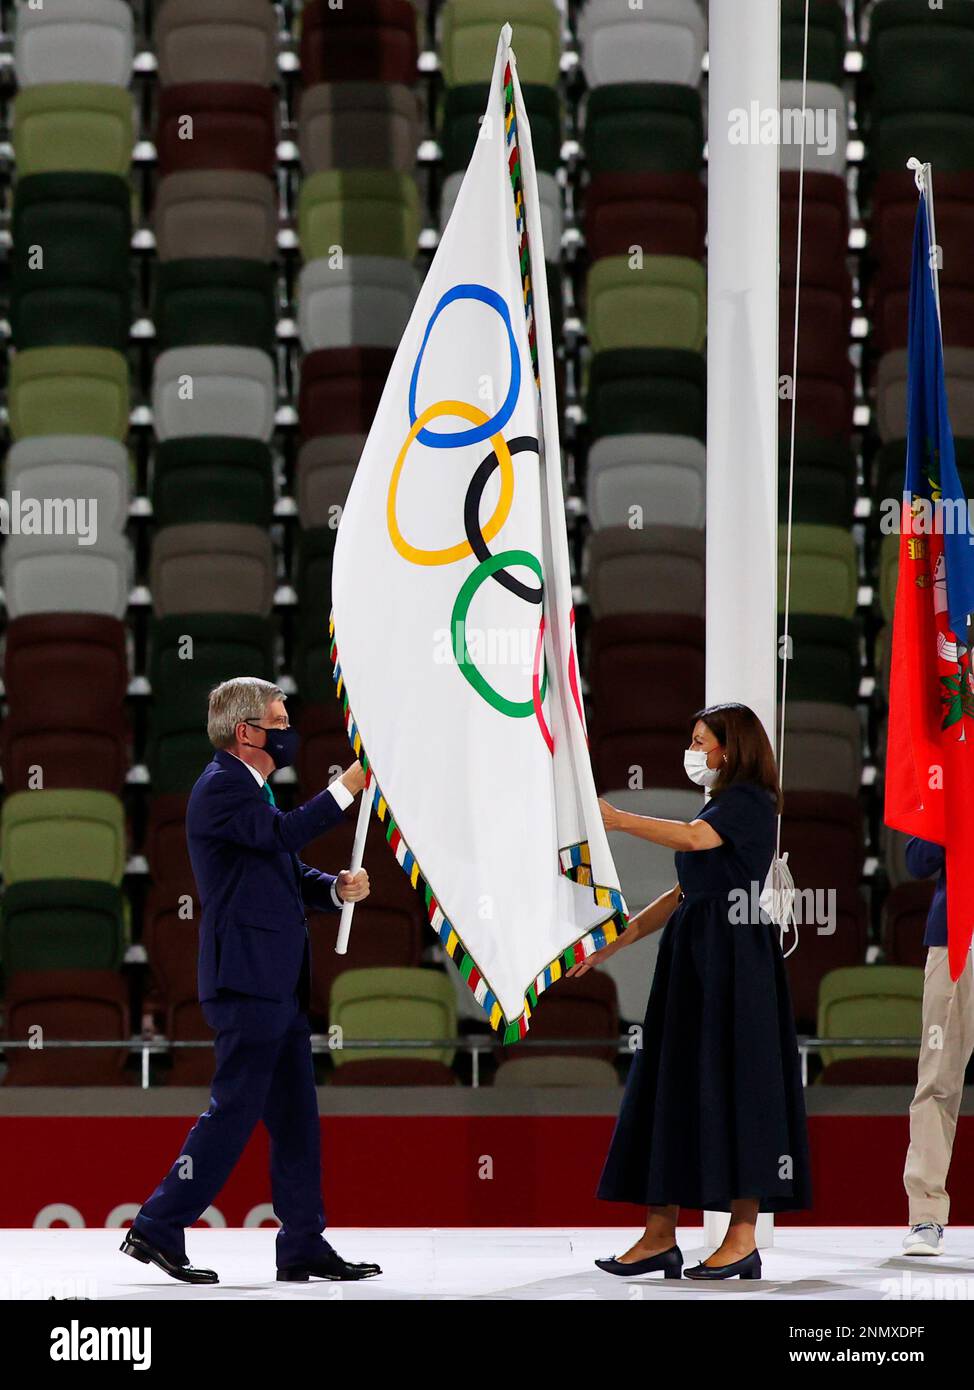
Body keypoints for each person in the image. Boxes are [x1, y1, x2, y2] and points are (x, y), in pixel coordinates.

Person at [121, 677, 381, 1285]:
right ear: (246, 732)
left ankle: (303, 1243)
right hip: (246, 981)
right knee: (233, 1112)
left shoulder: (252, 789)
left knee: (295, 1116)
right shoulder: (220, 789)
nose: (289, 733)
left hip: (276, 983)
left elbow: (283, 868)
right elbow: (281, 835)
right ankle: (157, 1227)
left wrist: (334, 889)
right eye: (280, 723)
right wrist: (344, 788)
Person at [572, 702, 811, 1281]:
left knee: (739, 1087)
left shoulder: (751, 803)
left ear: (731, 749)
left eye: (702, 742)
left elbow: (694, 840)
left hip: (737, 961)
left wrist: (619, 818)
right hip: (694, 957)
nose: (694, 751)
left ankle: (742, 1237)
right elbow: (685, 892)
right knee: (670, 1084)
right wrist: (614, 940)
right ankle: (659, 1236)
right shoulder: (720, 803)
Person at [901, 837, 973, 1256]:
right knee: (937, 1082)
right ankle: (925, 1216)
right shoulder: (950, 780)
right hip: (956, 939)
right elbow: (916, 860)